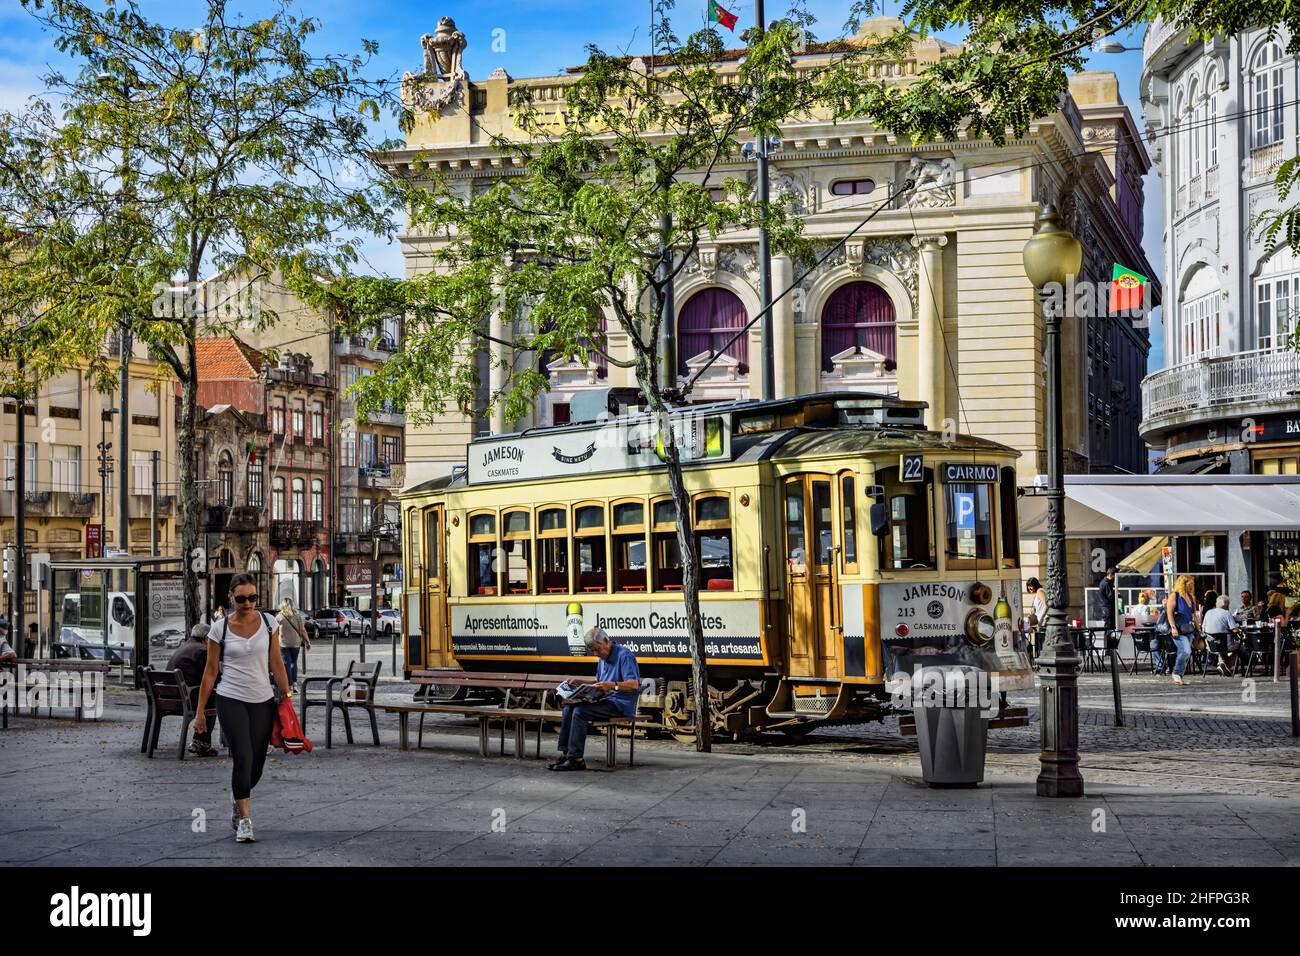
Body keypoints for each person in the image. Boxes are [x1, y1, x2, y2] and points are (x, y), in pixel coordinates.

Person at [195, 572, 293, 843]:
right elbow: (210, 672)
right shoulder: (219, 629)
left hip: (262, 700)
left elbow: (277, 662)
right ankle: (245, 822)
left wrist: (285, 696)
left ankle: (237, 797)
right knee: (243, 756)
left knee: (257, 765)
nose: (248, 603)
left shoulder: (269, 623)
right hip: (230, 698)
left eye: (252, 597)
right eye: (242, 599)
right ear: (231, 598)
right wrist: (200, 711)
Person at [548, 627, 640, 772]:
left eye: (597, 649)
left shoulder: (624, 655)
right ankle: (566, 754)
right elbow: (599, 682)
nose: (596, 654)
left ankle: (576, 759)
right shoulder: (602, 659)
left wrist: (612, 686)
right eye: (593, 651)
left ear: (605, 641)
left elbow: (634, 684)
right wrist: (580, 683)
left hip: (620, 703)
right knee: (568, 707)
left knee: (580, 711)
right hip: (605, 700)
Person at [168, 623, 219, 756]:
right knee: (212, 696)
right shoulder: (202, 650)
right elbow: (210, 677)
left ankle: (200, 741)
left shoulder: (184, 647)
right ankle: (201, 743)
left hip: (170, 698)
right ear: (207, 637)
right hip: (187, 699)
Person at [1164, 575, 1198, 686]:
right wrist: (1173, 627)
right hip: (1178, 629)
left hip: (1188, 629)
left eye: (1192, 584)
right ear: (1183, 584)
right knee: (1186, 651)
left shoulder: (1191, 597)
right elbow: (1169, 612)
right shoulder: (1175, 596)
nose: (1191, 586)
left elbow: (1194, 616)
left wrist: (1199, 629)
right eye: (1189, 584)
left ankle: (1179, 677)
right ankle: (1176, 673)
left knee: (1185, 652)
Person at [1200, 595, 1241, 678]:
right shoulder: (1227, 613)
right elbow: (1234, 629)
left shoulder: (1208, 612)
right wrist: (1240, 630)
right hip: (1225, 645)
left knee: (1220, 644)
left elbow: (1203, 628)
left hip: (1210, 645)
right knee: (1241, 647)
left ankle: (1223, 665)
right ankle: (1226, 666)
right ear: (1226, 604)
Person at [276, 598, 310, 687]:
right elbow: (303, 630)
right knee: (293, 663)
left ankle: (290, 684)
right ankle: (294, 683)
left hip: (283, 644)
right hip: (296, 643)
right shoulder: (298, 616)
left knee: (286, 663)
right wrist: (307, 642)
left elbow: (275, 632)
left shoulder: (279, 617)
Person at [1098, 567, 1117, 635]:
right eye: (1114, 576)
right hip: (1108, 607)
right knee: (1109, 626)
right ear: (1111, 575)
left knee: (1107, 626)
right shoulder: (1106, 584)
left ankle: (1108, 642)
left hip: (1104, 607)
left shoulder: (1103, 582)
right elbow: (1111, 596)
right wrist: (1117, 594)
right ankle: (1109, 643)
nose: (1114, 578)